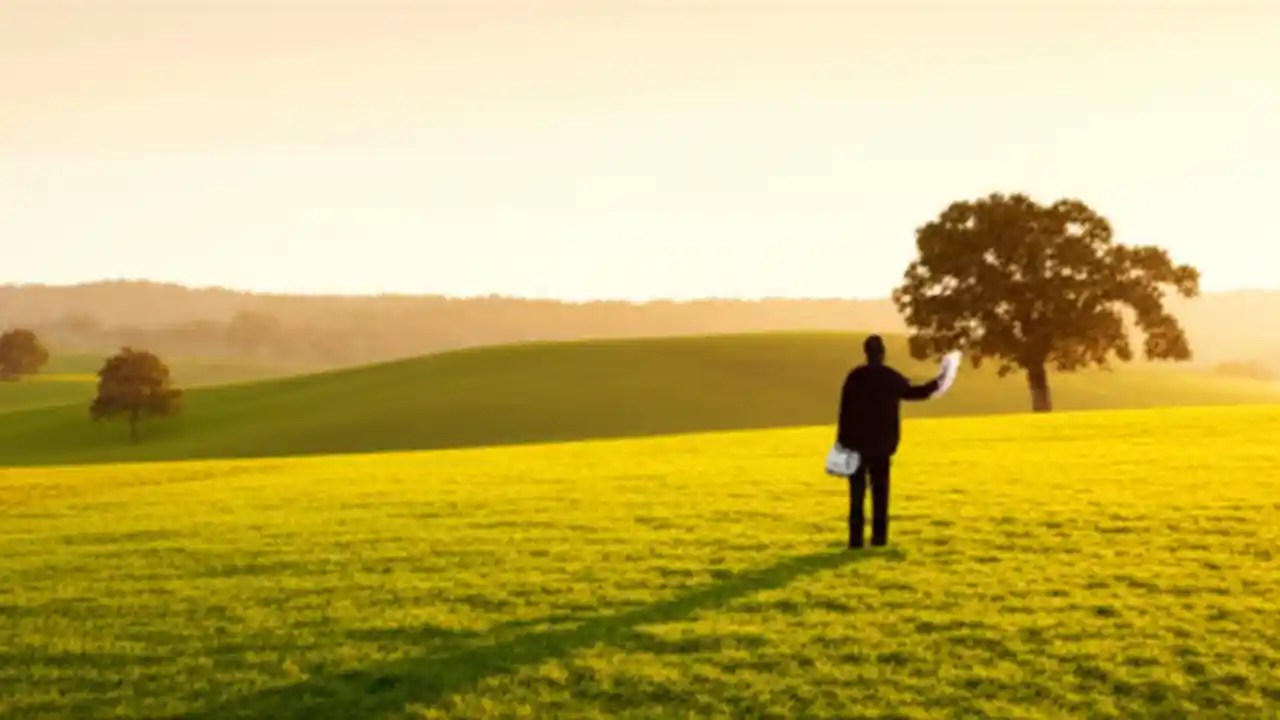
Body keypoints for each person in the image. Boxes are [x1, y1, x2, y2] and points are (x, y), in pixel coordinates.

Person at [836, 335, 940, 549]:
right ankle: (879, 538)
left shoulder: (855, 377)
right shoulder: (889, 377)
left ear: (866, 352)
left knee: (856, 496)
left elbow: (843, 413)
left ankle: (855, 541)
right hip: (882, 446)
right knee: (880, 493)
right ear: (882, 353)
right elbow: (915, 393)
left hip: (856, 445)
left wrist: (842, 444)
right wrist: (939, 381)